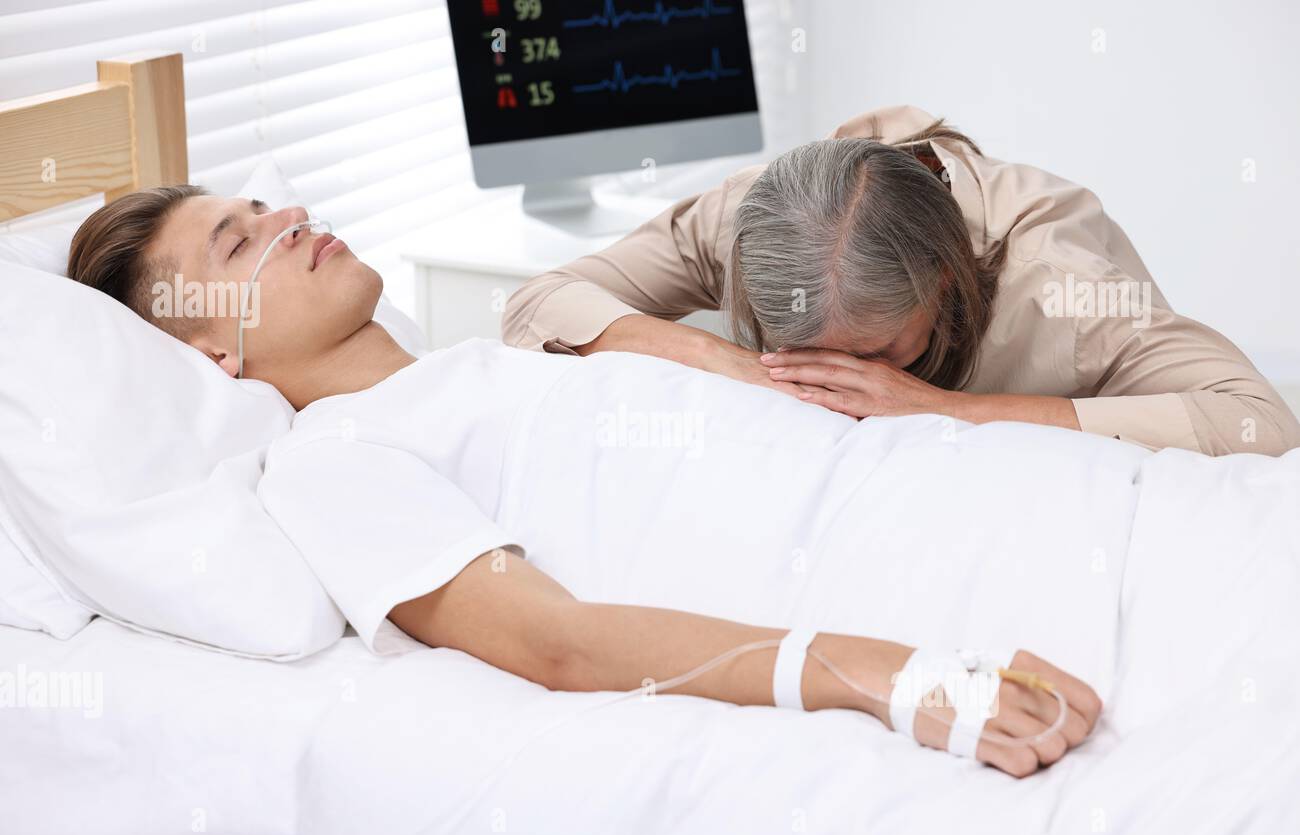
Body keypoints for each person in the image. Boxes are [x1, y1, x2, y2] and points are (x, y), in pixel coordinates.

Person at [66, 186, 1104, 779]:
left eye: (261, 204)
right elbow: (552, 643)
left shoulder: (469, 370)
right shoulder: (330, 460)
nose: (286, 216)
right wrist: (880, 673)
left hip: (994, 498)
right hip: (925, 572)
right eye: (240, 241)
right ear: (210, 359)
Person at [504, 106, 1300, 457]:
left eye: (880, 352)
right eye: (805, 353)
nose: (843, 385)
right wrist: (738, 367)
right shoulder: (747, 222)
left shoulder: (1064, 290)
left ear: (947, 283)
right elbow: (536, 303)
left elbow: (1262, 421)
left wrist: (947, 410)